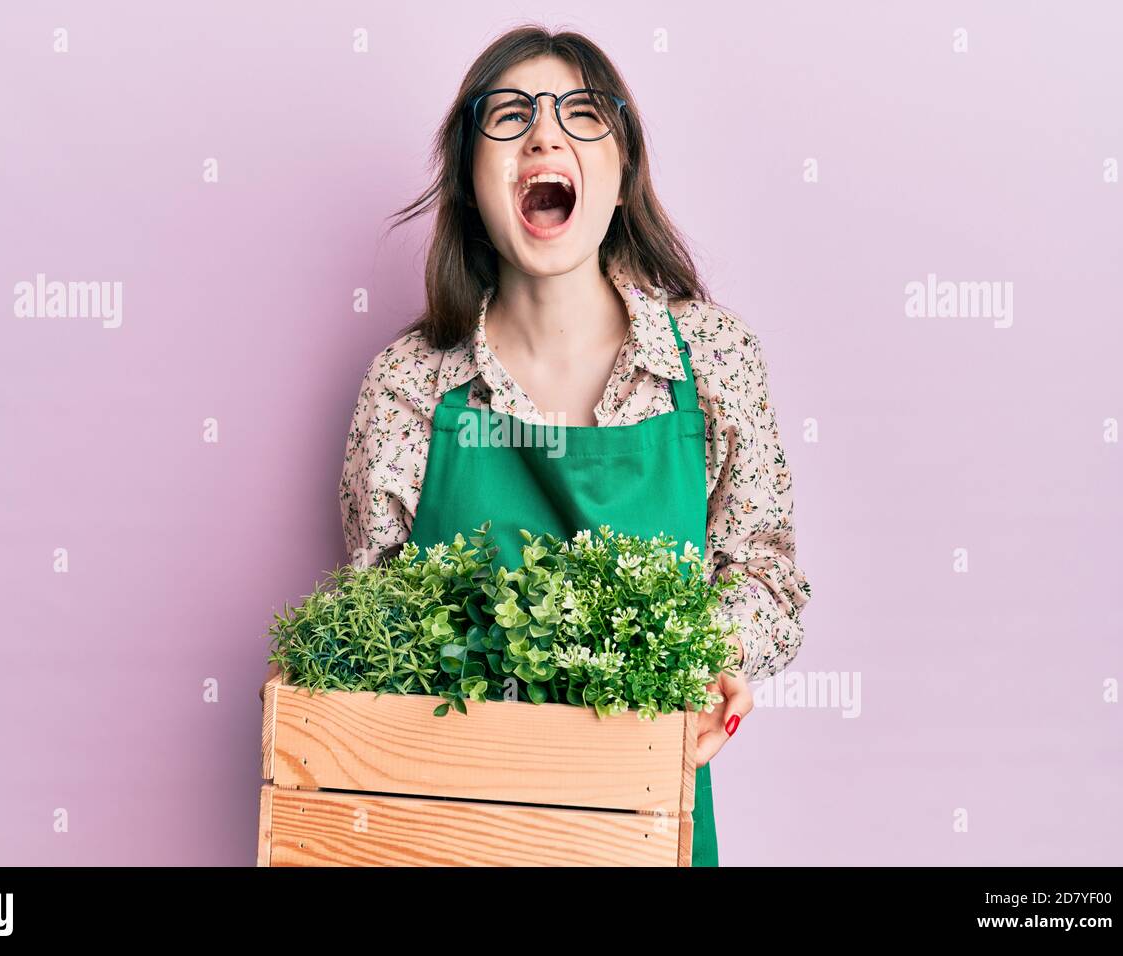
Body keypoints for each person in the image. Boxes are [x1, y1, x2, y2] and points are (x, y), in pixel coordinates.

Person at [283, 25, 812, 867]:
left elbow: (766, 574)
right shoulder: (408, 385)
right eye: (510, 115)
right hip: (452, 828)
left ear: (623, 168)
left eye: (581, 112)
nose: (544, 132)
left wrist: (705, 660)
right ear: (468, 179)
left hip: (642, 820)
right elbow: (376, 625)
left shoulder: (713, 362)